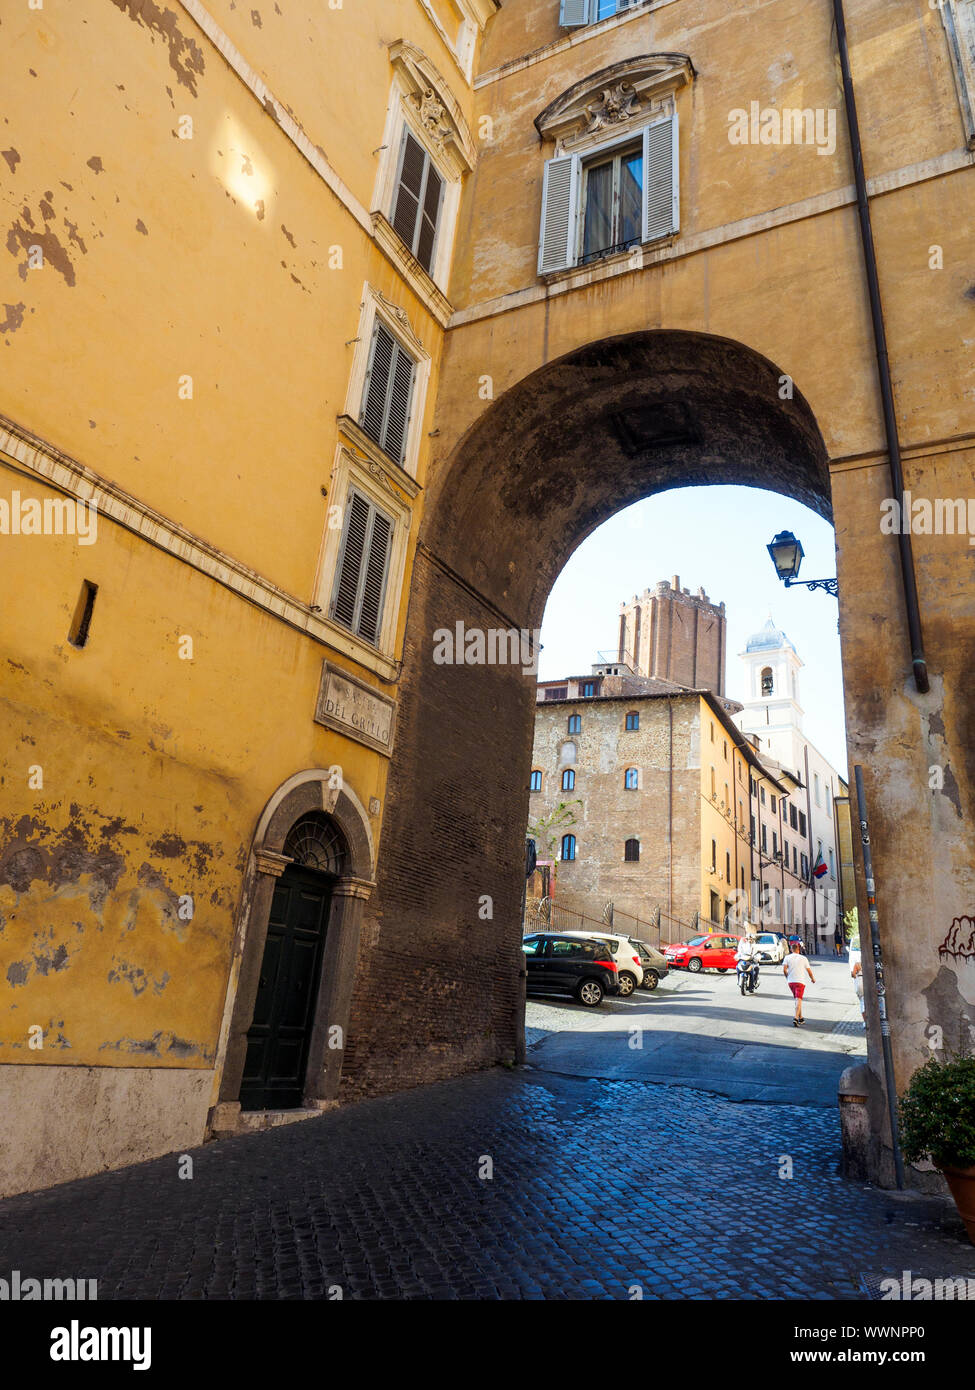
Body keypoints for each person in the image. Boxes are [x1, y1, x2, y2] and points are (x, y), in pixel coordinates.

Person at [783, 940, 815, 1026]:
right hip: (800, 981)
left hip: (791, 982)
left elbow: (784, 970)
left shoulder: (787, 957)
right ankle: (796, 1018)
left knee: (797, 999)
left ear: (791, 949)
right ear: (798, 949)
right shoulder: (803, 958)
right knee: (798, 999)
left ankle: (801, 1018)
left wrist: (787, 977)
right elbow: (809, 971)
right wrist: (812, 978)